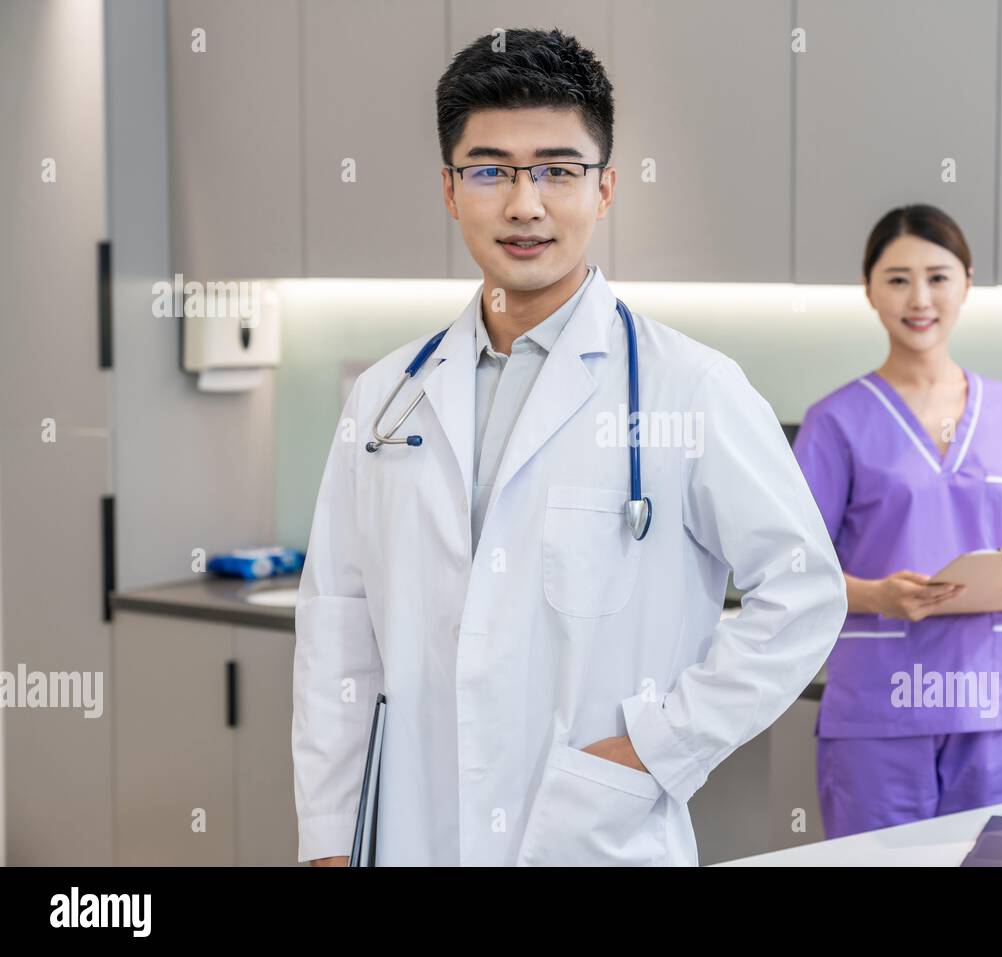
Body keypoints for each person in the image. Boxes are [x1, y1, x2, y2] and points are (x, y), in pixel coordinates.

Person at [292, 28, 847, 866]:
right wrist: (330, 838)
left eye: (558, 169)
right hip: (410, 835)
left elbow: (804, 594)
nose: (525, 204)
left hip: (592, 834)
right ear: (449, 189)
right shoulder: (383, 401)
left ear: (606, 186)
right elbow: (336, 625)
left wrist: (654, 748)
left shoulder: (690, 387)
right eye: (491, 171)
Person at [793, 204, 1002, 837]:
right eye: (897, 278)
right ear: (869, 289)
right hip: (879, 707)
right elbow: (791, 576)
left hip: (984, 701)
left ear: (967, 282)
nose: (919, 298)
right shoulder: (835, 422)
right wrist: (876, 596)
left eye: (938, 277)